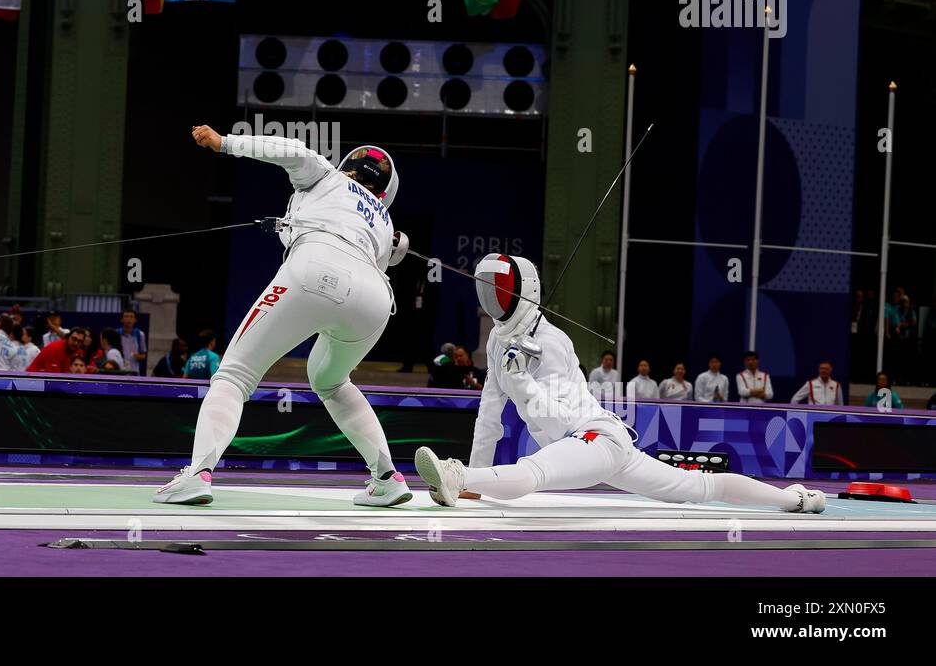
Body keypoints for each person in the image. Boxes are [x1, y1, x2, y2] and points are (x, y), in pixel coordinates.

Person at [413, 253, 826, 515]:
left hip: (594, 437)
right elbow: (489, 416)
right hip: (601, 447)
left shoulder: (552, 344)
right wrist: (483, 468)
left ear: (524, 293)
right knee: (695, 487)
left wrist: (522, 381)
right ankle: (792, 498)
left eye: (500, 292)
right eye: (490, 293)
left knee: (531, 473)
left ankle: (457, 476)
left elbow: (557, 423)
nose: (493, 300)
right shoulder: (501, 340)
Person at [156, 129, 412, 508]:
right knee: (330, 379)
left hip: (317, 267)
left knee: (234, 374)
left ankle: (196, 475)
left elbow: (293, 150)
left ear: (348, 167)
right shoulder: (385, 222)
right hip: (375, 299)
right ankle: (389, 478)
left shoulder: (327, 176)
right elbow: (388, 257)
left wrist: (224, 142)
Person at [118, 308, 147, 374]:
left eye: (131, 317)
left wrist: (136, 356)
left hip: (134, 372)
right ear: (122, 320)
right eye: (126, 316)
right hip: (119, 371)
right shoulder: (116, 333)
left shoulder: (140, 334)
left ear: (135, 320)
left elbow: (143, 355)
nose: (129, 319)